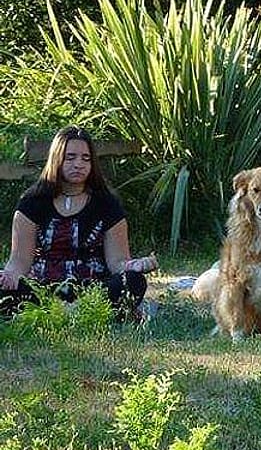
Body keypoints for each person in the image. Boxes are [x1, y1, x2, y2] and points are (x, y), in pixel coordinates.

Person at [0, 126, 154, 317]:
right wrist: (9, 275)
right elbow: (19, 261)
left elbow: (117, 262)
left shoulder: (107, 203)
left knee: (133, 281)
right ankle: (60, 312)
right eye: (70, 157)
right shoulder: (32, 202)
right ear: (57, 159)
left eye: (85, 158)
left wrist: (134, 266)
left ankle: (73, 312)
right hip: (42, 291)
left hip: (94, 292)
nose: (78, 164)